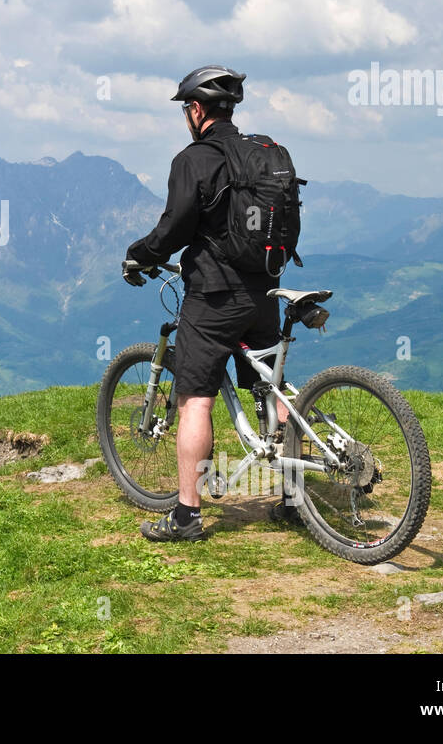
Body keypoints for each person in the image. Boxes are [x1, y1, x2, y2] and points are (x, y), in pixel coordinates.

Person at [123, 65, 294, 543]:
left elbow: (174, 228)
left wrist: (140, 255)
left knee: (194, 399)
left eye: (185, 109)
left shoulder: (193, 159)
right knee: (267, 388)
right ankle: (294, 499)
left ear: (196, 111)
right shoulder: (264, 152)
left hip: (215, 295)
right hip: (265, 288)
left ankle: (186, 516)